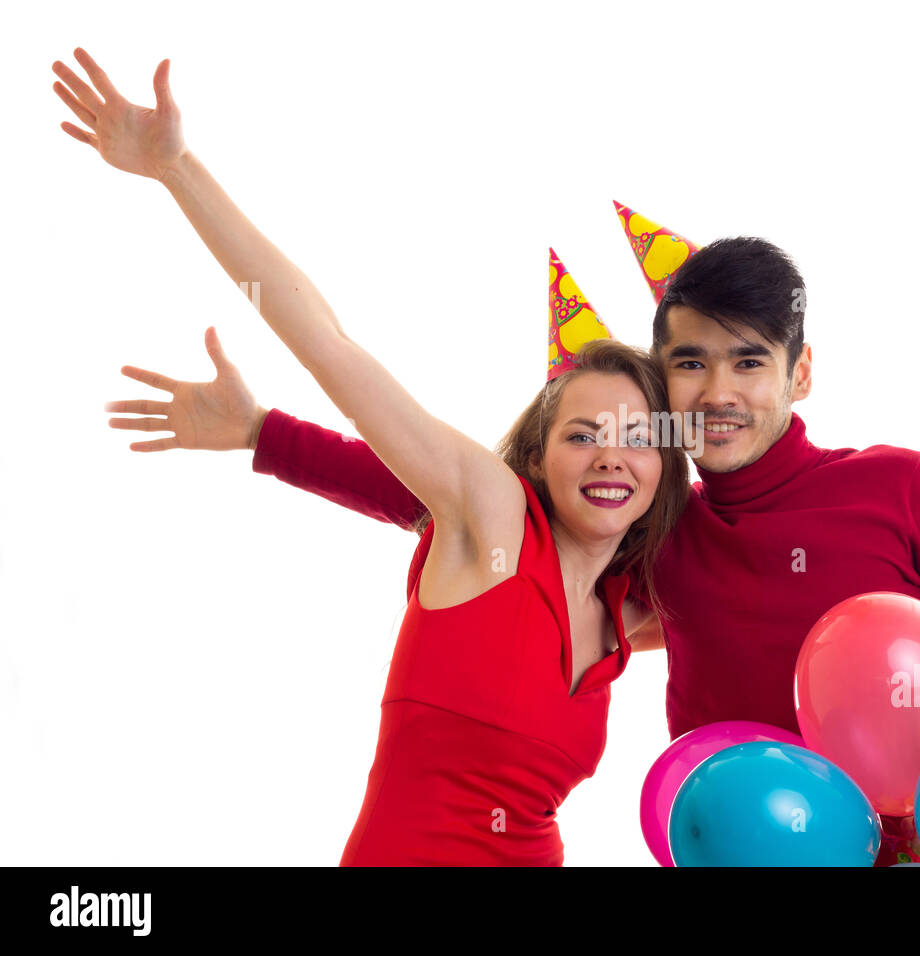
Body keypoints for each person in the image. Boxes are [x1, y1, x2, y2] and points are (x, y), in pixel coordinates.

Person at [55, 48, 691, 865]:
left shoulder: (628, 614)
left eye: (639, 439)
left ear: (665, 469)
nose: (611, 459)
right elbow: (328, 344)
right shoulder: (491, 515)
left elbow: (775, 604)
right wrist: (177, 169)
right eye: (581, 435)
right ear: (537, 458)